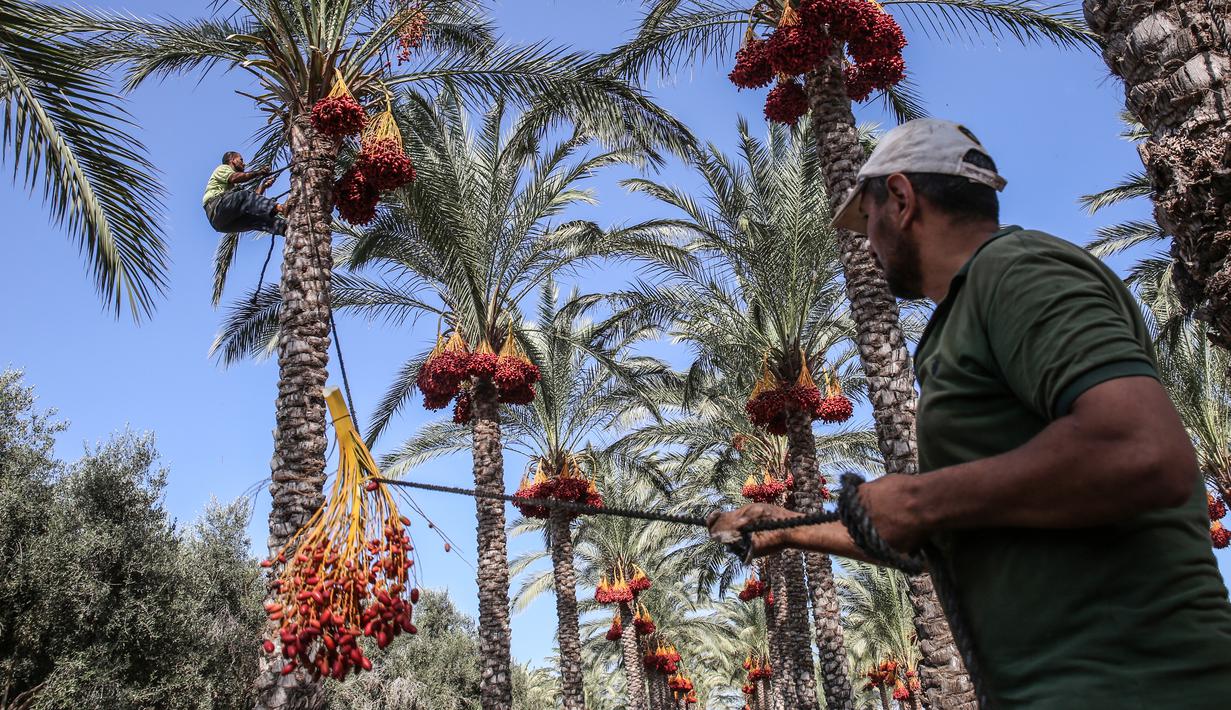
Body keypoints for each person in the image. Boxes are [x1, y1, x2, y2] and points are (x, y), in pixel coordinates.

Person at [707, 118, 1231, 707]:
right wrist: (789, 528)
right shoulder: (963, 315)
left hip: (1140, 685)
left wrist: (917, 498)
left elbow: (1141, 452)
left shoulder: (1019, 272)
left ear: (901, 199)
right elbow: (952, 523)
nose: (869, 243)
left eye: (868, 220)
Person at [202, 151, 286, 235]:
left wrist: (264, 186)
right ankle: (280, 208)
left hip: (223, 223)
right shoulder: (223, 168)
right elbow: (234, 179)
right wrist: (258, 172)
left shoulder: (234, 192)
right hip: (216, 208)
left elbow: (252, 200)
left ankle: (286, 228)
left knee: (258, 219)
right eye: (241, 160)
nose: (244, 164)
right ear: (233, 160)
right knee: (245, 194)